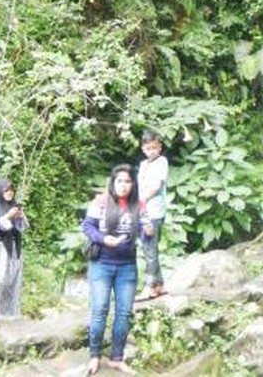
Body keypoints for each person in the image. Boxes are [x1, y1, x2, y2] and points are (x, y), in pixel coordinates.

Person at [83, 164, 147, 375]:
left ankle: (116, 358)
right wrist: (103, 239)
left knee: (124, 313)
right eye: (120, 181)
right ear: (113, 182)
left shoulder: (139, 205)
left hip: (127, 266)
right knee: (100, 310)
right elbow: (88, 226)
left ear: (133, 184)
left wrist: (148, 231)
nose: (123, 185)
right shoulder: (100, 202)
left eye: (128, 181)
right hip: (101, 264)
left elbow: (144, 233)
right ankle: (94, 356)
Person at [0, 177, 28, 315]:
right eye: (6, 190)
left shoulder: (15, 206)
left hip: (14, 248)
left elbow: (23, 228)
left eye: (12, 190)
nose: (10, 193)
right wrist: (7, 216)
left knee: (12, 283)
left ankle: (10, 317)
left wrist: (19, 217)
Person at [137, 129, 168, 300]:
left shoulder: (161, 162)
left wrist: (141, 200)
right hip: (144, 211)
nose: (152, 151)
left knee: (149, 249)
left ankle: (149, 287)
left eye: (155, 148)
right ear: (143, 149)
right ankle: (159, 285)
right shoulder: (143, 164)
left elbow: (156, 186)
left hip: (154, 211)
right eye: (148, 148)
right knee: (150, 248)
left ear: (160, 147)